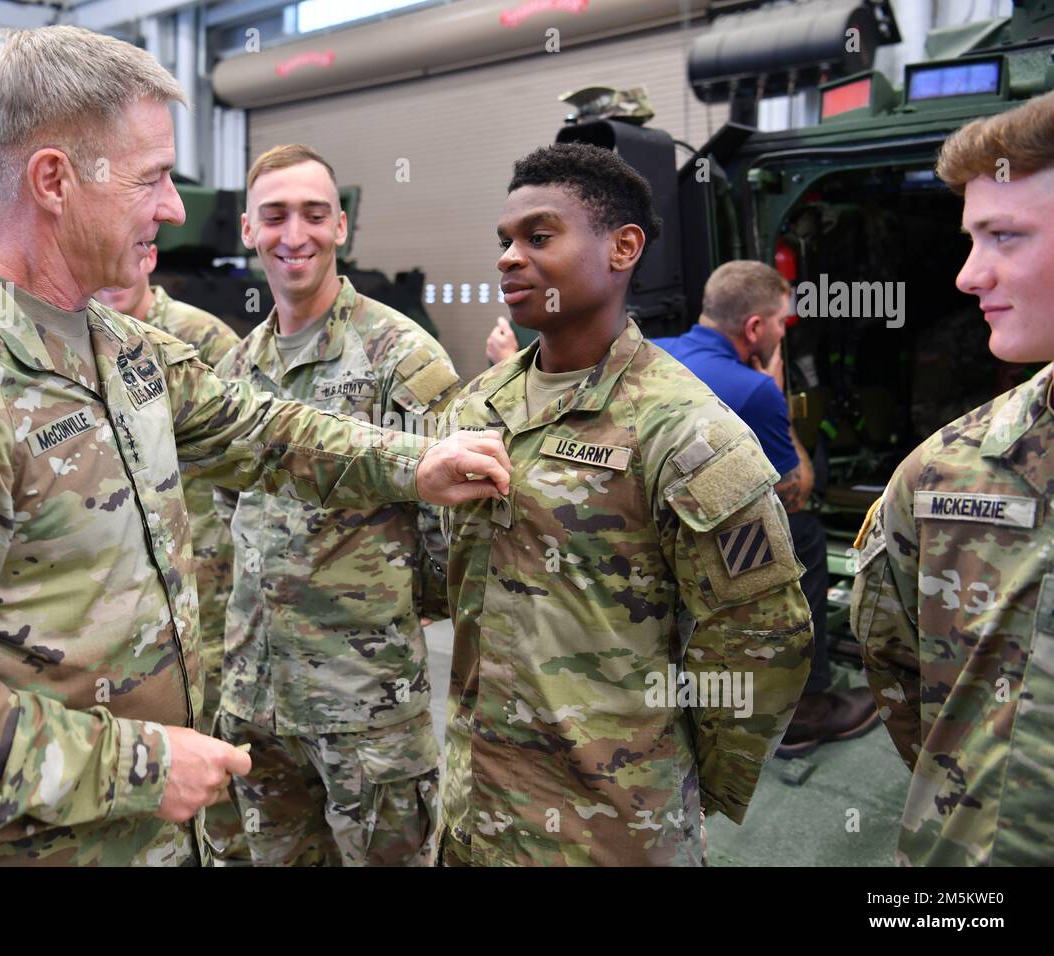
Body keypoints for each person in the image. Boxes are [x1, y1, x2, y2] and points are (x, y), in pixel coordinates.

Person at [0, 25, 510, 867]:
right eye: (151, 179)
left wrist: (413, 462)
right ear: (54, 180)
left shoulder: (113, 344)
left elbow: (259, 427)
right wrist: (139, 766)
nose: (174, 208)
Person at [437, 142, 813, 866]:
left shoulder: (686, 430)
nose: (509, 258)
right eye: (504, 242)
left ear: (623, 248)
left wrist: (677, 777)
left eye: (538, 237)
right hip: (476, 807)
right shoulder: (478, 404)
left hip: (609, 829)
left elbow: (763, 644)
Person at [212, 144, 460, 866]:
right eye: (276, 215)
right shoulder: (236, 368)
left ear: (342, 227)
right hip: (256, 698)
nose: (297, 234)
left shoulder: (399, 355)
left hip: (366, 706)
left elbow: (453, 529)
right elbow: (233, 511)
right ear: (248, 230)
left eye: (315, 215)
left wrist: (380, 619)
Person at [851, 89, 1054, 866]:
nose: (970, 275)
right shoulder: (944, 471)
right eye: (973, 238)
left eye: (1004, 236)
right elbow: (900, 679)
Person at [653, 261, 877, 757]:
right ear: (755, 328)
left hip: (662, 533)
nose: (784, 329)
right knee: (804, 532)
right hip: (723, 544)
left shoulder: (656, 353)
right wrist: (776, 397)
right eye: (781, 321)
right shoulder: (755, 390)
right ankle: (805, 713)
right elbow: (795, 489)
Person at [93, 245, 246, 862]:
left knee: (209, 723)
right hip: (123, 586)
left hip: (205, 566)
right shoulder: (82, 337)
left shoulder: (195, 337)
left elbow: (245, 442)